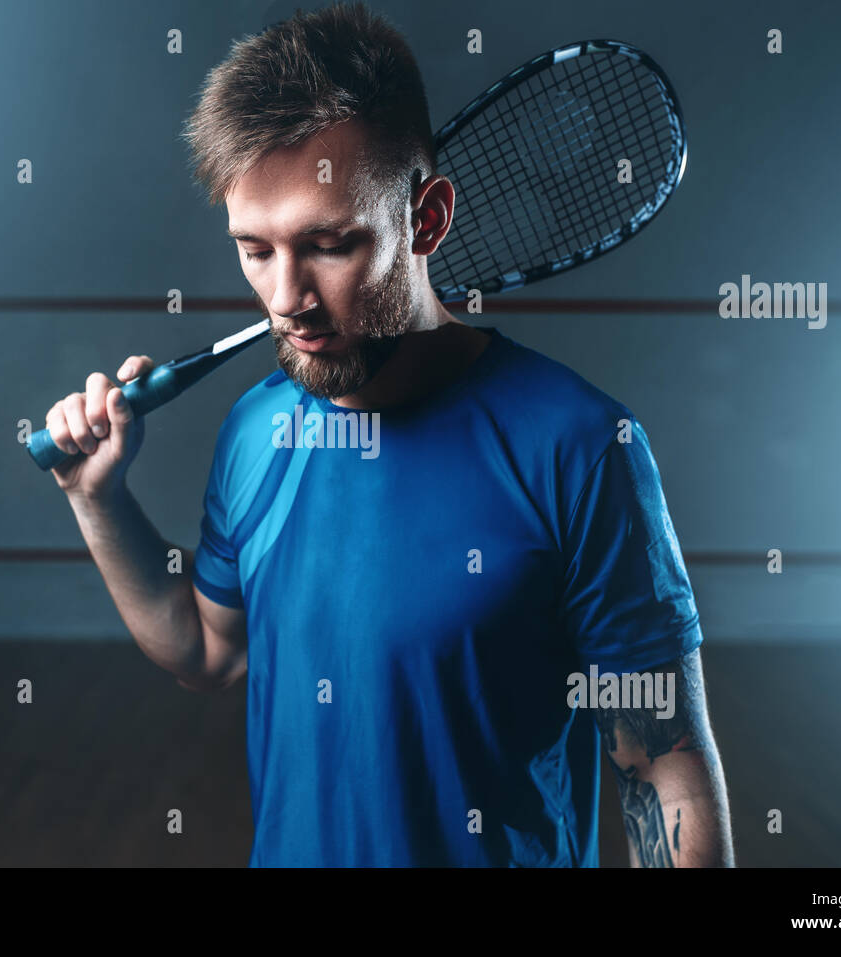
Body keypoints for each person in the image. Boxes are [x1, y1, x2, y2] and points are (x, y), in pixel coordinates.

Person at [43, 1, 734, 867]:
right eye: (255, 249)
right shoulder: (256, 430)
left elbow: (663, 765)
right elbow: (208, 652)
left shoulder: (581, 446)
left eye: (328, 244)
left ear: (428, 219)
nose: (287, 295)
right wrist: (96, 497)